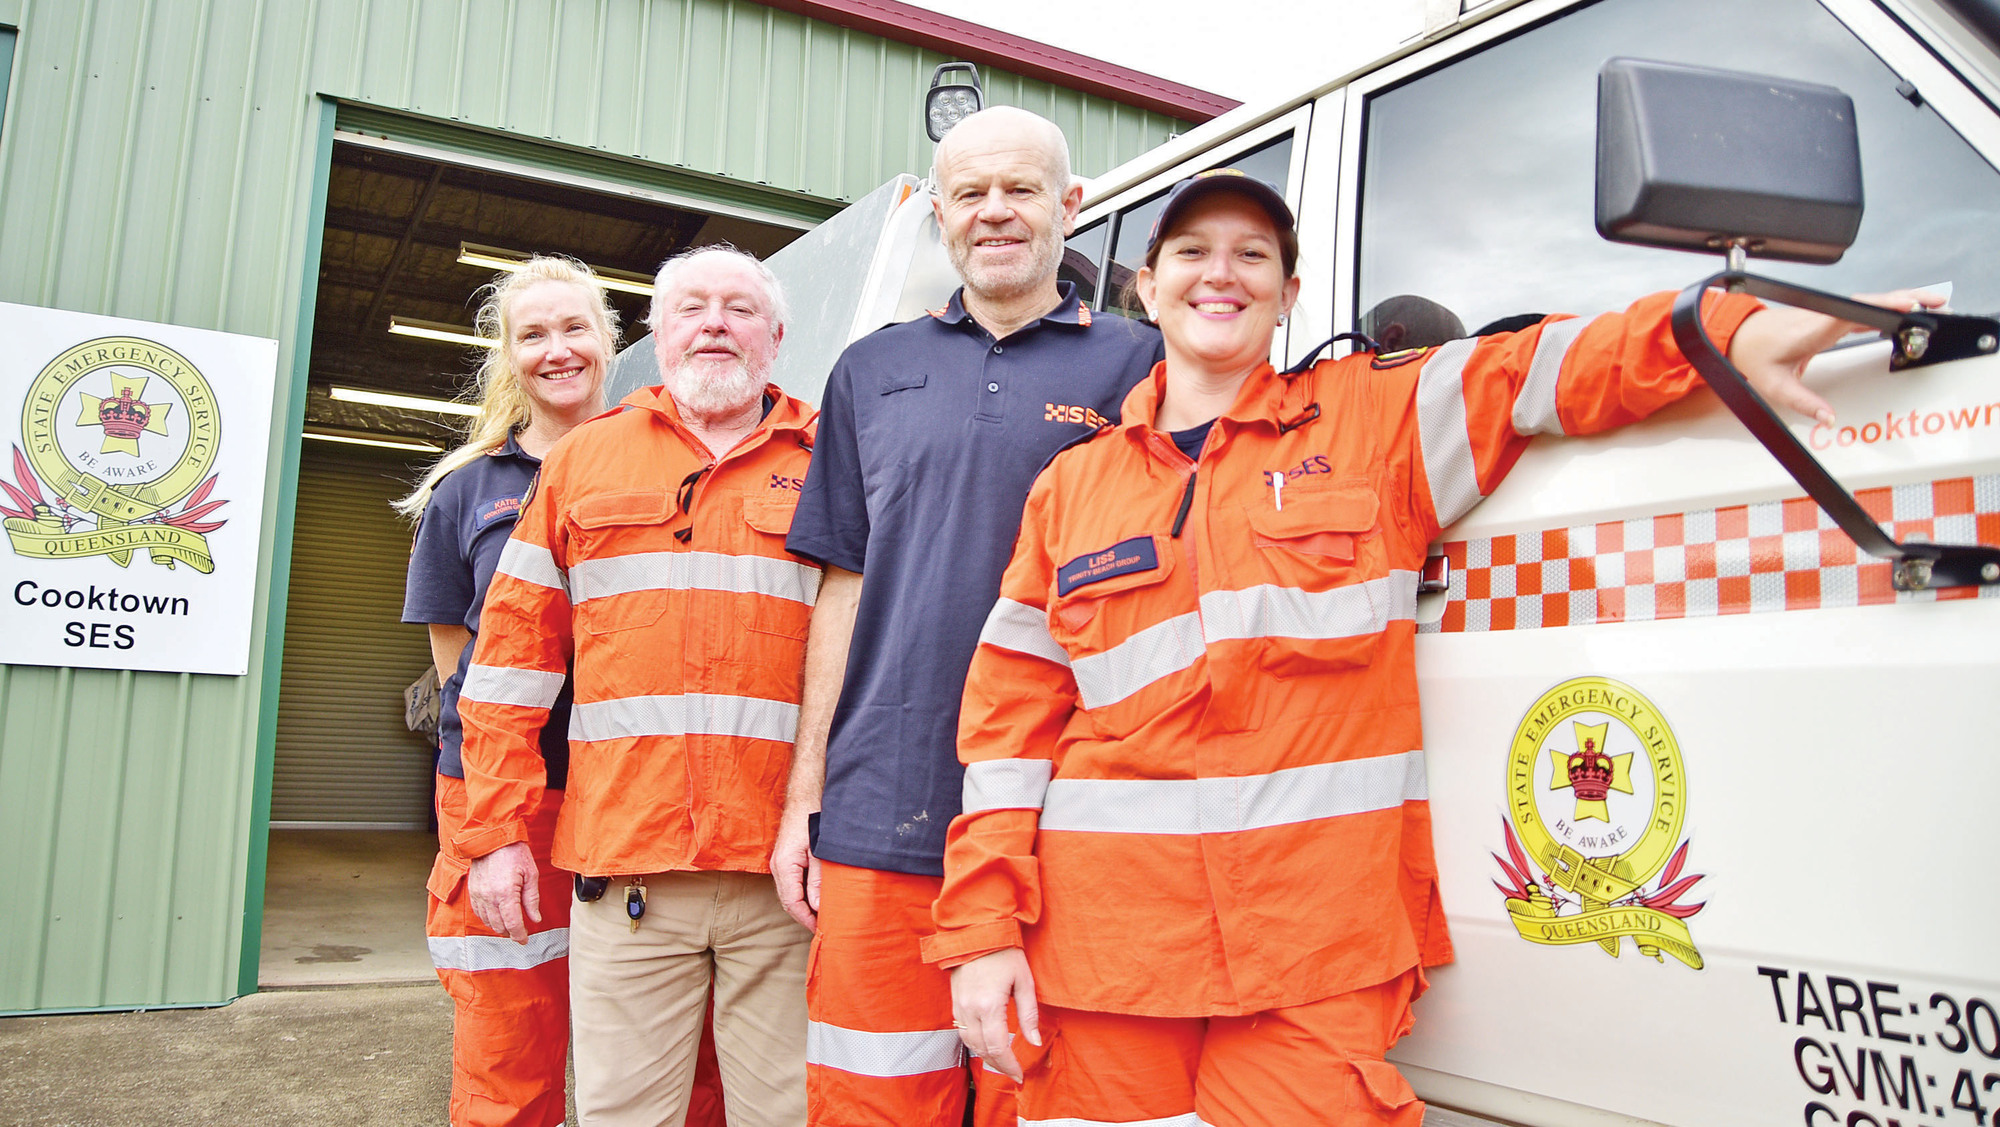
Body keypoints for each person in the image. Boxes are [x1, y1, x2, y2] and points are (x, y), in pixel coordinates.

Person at [925, 168, 1939, 1126]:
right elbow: (1008, 727)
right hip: (1105, 947)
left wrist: (1726, 330)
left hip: (1314, 944)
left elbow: (1546, 364)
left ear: (1287, 294)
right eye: (1191, 252)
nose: (1219, 274)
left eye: (1251, 256)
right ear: (1149, 287)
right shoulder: (1071, 487)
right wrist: (981, 933)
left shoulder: (1379, 414)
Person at [775, 105, 1164, 1127]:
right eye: (971, 193)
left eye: (1022, 189)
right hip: (878, 805)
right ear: (939, 215)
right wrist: (802, 793)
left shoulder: (1141, 368)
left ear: (1069, 207)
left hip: (1059, 813)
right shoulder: (870, 370)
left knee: (1033, 1098)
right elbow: (842, 587)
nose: (995, 212)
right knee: (868, 1096)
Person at [456, 245, 818, 1127]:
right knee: (625, 1115)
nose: (715, 325)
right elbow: (510, 658)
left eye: (738, 308)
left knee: (790, 1113)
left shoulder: (831, 455)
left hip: (788, 872)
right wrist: (496, 830)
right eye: (691, 308)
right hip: (627, 872)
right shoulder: (583, 462)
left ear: (777, 335)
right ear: (656, 336)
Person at [399, 255, 614, 1127]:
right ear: (508, 355)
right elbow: (457, 663)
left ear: (609, 339)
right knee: (506, 1037)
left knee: (664, 1036)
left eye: (575, 329)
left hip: (626, 789)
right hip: (500, 795)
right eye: (534, 334)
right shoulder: (468, 489)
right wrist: (494, 802)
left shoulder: (657, 459)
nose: (557, 350)